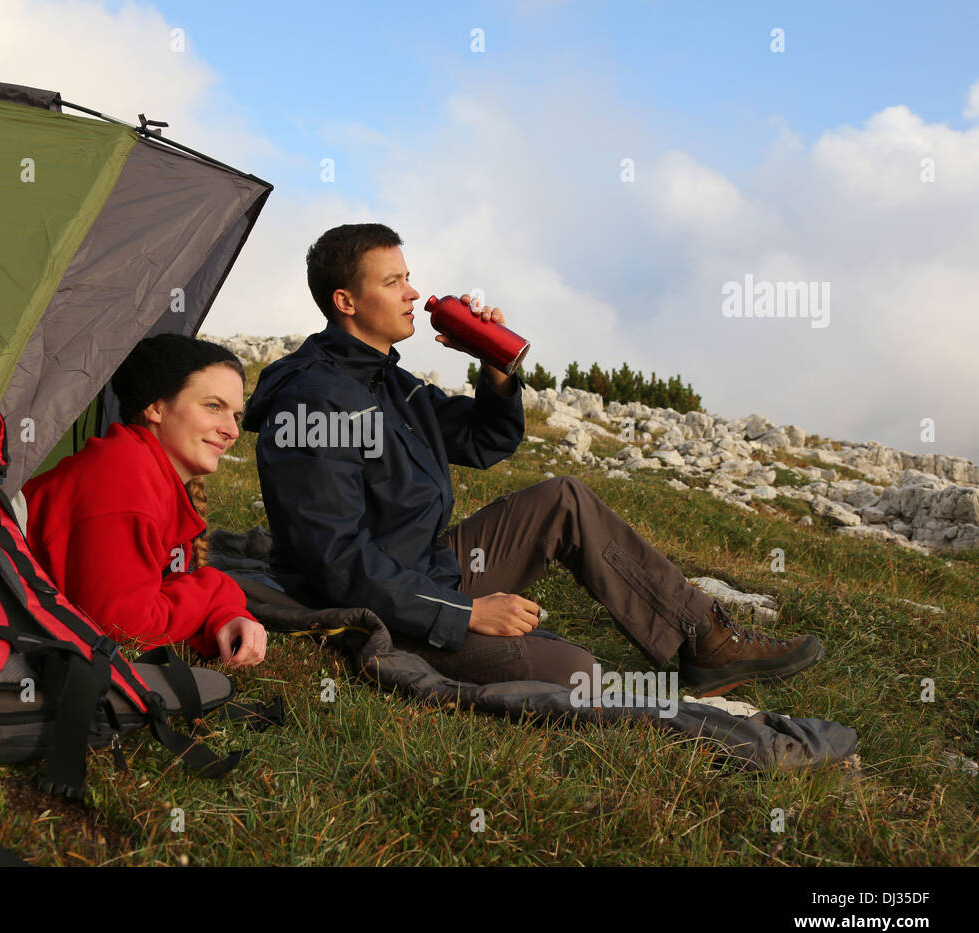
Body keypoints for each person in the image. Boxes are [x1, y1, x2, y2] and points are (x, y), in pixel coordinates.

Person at [240, 223, 823, 692]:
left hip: (425, 569)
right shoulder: (314, 401)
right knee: (579, 675)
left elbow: (483, 441)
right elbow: (337, 563)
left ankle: (708, 644)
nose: (414, 293)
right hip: (376, 606)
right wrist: (463, 613)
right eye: (393, 282)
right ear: (346, 300)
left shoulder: (390, 382)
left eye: (409, 277)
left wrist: (494, 369)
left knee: (563, 499)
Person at [23, 334, 267, 667]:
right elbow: (123, 629)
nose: (232, 430)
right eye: (213, 406)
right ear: (155, 407)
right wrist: (215, 592)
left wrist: (223, 614)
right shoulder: (124, 473)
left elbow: (157, 588)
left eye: (236, 415)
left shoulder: (150, 473)